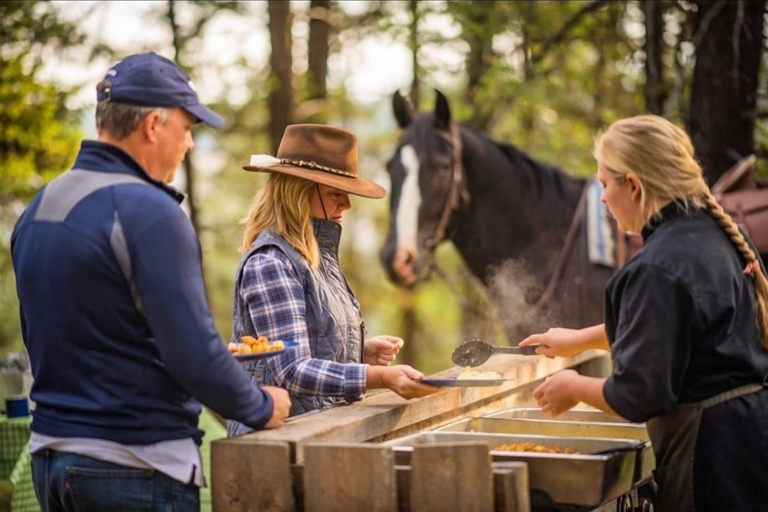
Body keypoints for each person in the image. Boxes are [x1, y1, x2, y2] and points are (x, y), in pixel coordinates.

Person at [11, 52, 291, 512]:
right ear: (153, 125)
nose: (190, 145)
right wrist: (261, 405)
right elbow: (194, 355)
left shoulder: (43, 204)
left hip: (51, 461)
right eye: (186, 128)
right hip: (133, 468)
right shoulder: (151, 211)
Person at [518, 115, 768, 512]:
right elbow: (678, 331)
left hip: (712, 460)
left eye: (604, 184)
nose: (601, 198)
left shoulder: (656, 267)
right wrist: (579, 340)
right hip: (750, 441)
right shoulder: (715, 235)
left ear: (632, 185)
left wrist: (573, 386)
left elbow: (637, 395)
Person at [227, 124, 438, 434]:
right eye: (335, 193)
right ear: (298, 191)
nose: (347, 205)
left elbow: (309, 340)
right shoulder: (271, 263)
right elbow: (292, 369)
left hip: (310, 433)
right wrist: (378, 377)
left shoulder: (317, 256)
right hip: (272, 446)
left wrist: (358, 350)